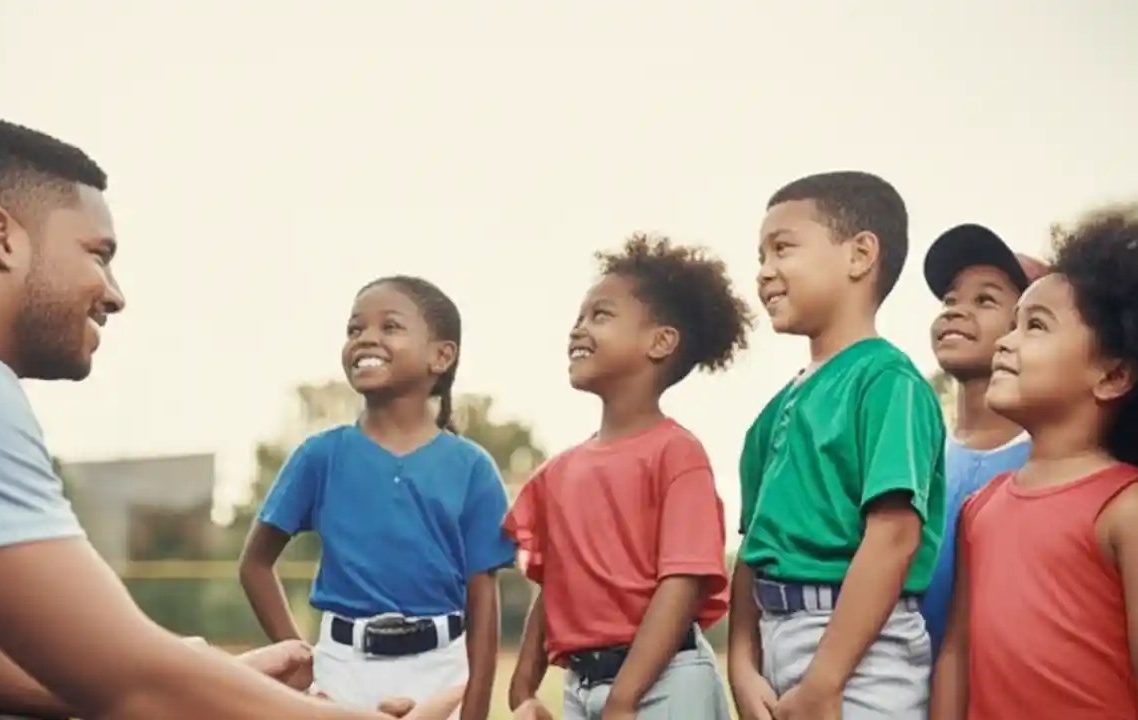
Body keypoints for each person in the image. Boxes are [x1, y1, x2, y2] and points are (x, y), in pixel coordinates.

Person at [0, 117, 454, 720]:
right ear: (1, 235)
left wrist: (216, 677)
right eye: (97, 255)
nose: (114, 293)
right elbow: (134, 684)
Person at [930, 204, 1138, 719]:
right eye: (1011, 326)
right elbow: (957, 652)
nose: (1007, 342)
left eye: (1035, 325)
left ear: (1113, 374)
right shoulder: (979, 508)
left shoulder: (1135, 510)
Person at [239, 275, 513, 720]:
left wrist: (475, 710)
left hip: (442, 672)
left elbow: (483, 602)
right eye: (354, 329)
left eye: (390, 327)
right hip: (342, 673)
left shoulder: (472, 468)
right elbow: (254, 563)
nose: (366, 339)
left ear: (441, 356)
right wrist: (303, 662)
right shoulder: (321, 456)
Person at [728, 172, 946, 720]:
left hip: (861, 657)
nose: (764, 271)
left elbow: (894, 537)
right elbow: (754, 549)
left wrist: (826, 680)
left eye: (783, 248)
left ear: (859, 255)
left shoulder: (887, 382)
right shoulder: (771, 415)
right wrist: (740, 662)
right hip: (775, 645)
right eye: (760, 255)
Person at [505, 234, 749, 720]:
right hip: (582, 689)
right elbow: (554, 586)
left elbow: (681, 584)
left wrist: (625, 697)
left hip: (664, 687)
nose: (577, 329)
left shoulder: (678, 453)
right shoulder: (557, 472)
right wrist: (522, 691)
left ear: (660, 342)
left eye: (601, 315)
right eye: (578, 317)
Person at [917, 224, 1046, 656]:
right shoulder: (916, 456)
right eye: (949, 299)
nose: (955, 310)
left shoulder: (1054, 463)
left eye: (985, 299)